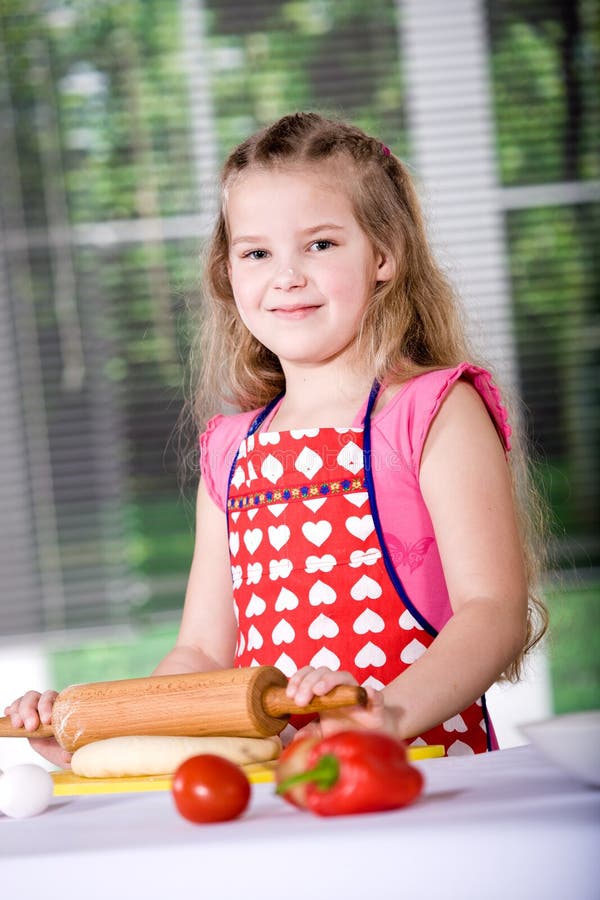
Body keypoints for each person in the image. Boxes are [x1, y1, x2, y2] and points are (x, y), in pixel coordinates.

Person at [5, 111, 548, 768]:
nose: (286, 275)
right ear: (229, 274)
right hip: (274, 793)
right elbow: (200, 653)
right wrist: (92, 733)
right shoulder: (230, 449)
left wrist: (385, 719)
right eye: (257, 252)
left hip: (417, 777)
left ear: (383, 255)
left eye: (320, 244)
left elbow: (492, 611)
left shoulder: (432, 410)